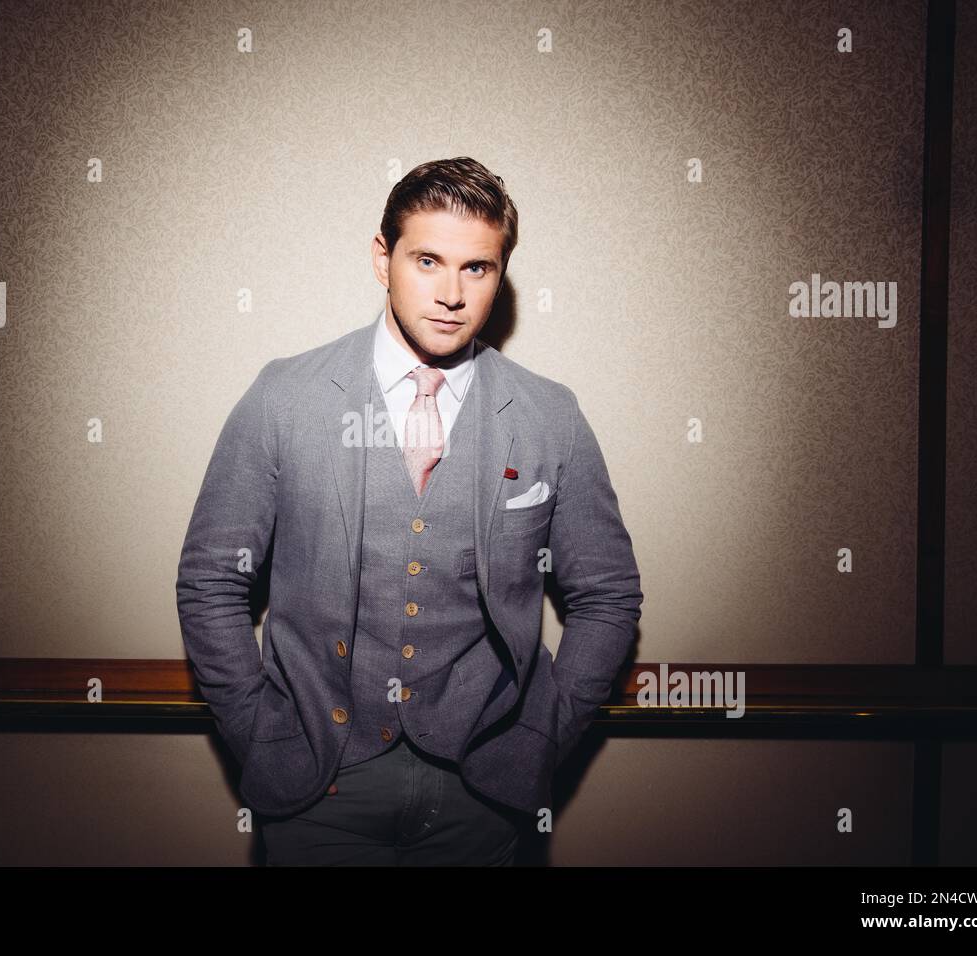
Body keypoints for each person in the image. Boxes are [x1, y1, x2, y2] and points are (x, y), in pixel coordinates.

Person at [176, 157, 642, 865]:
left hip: (481, 794)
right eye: (428, 260)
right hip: (318, 786)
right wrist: (258, 728)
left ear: (500, 275)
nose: (451, 293)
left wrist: (544, 732)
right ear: (382, 257)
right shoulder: (284, 397)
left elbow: (607, 595)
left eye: (477, 269)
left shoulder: (551, 415)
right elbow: (211, 579)